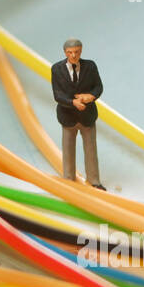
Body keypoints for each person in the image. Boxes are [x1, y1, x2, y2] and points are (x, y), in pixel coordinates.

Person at [50, 38, 106, 189]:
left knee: (91, 149)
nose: (73, 55)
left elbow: (98, 87)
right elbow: (57, 95)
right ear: (65, 52)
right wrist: (72, 102)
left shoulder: (90, 66)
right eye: (70, 52)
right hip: (67, 117)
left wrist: (91, 96)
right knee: (68, 150)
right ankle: (69, 181)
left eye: (76, 52)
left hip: (87, 116)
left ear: (81, 51)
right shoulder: (56, 69)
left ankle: (94, 181)